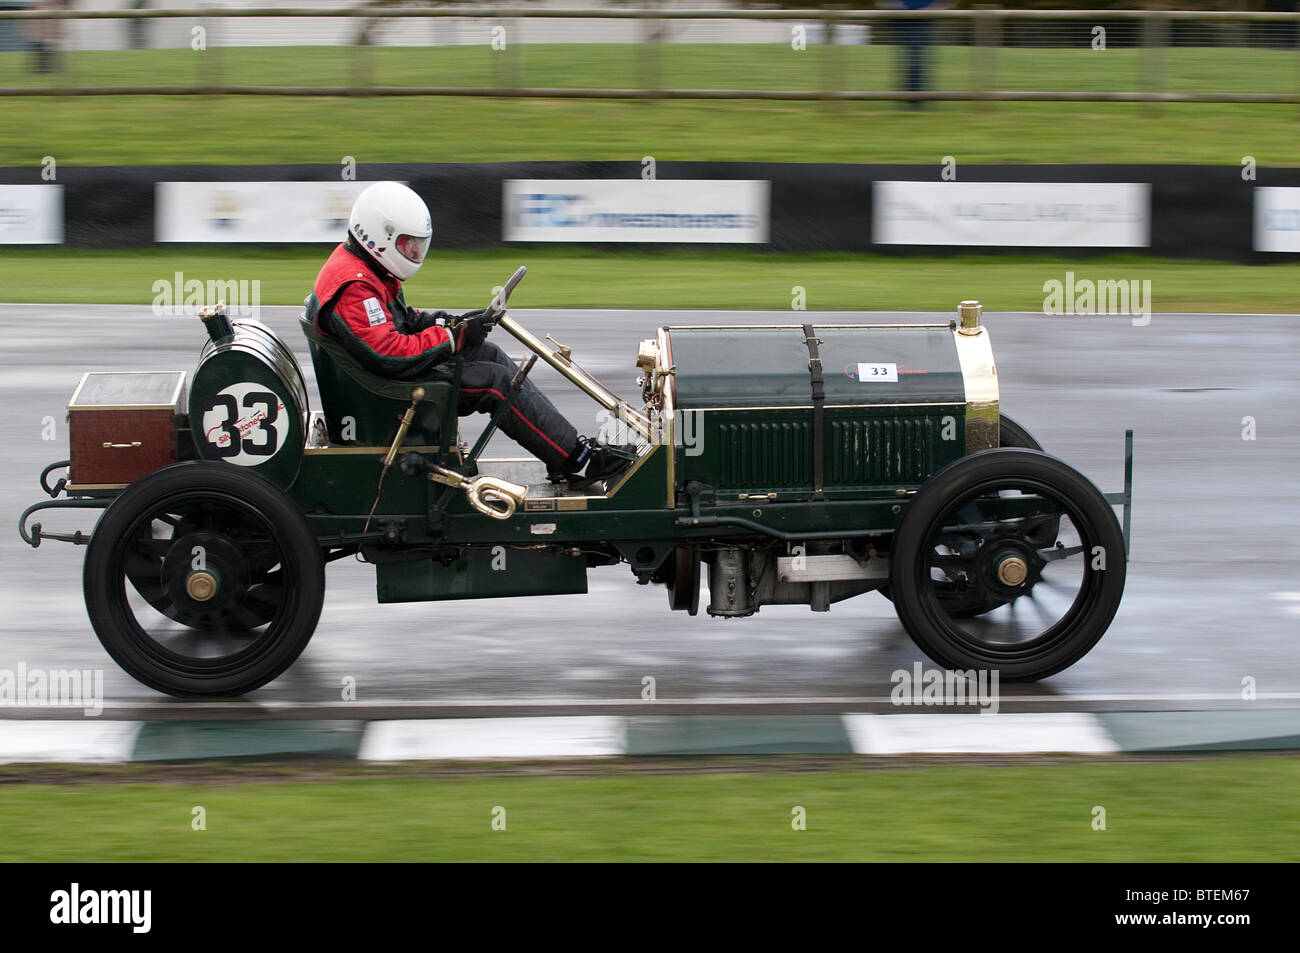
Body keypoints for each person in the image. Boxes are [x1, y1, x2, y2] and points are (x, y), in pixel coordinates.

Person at [306, 181, 630, 489]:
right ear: (380, 235)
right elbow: (389, 354)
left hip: (381, 384)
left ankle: (564, 452)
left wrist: (451, 322)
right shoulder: (355, 287)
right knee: (497, 382)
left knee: (490, 355)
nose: (415, 252)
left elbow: (403, 320)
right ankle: (579, 462)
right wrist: (453, 338)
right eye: (408, 244)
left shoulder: (362, 268)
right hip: (387, 394)